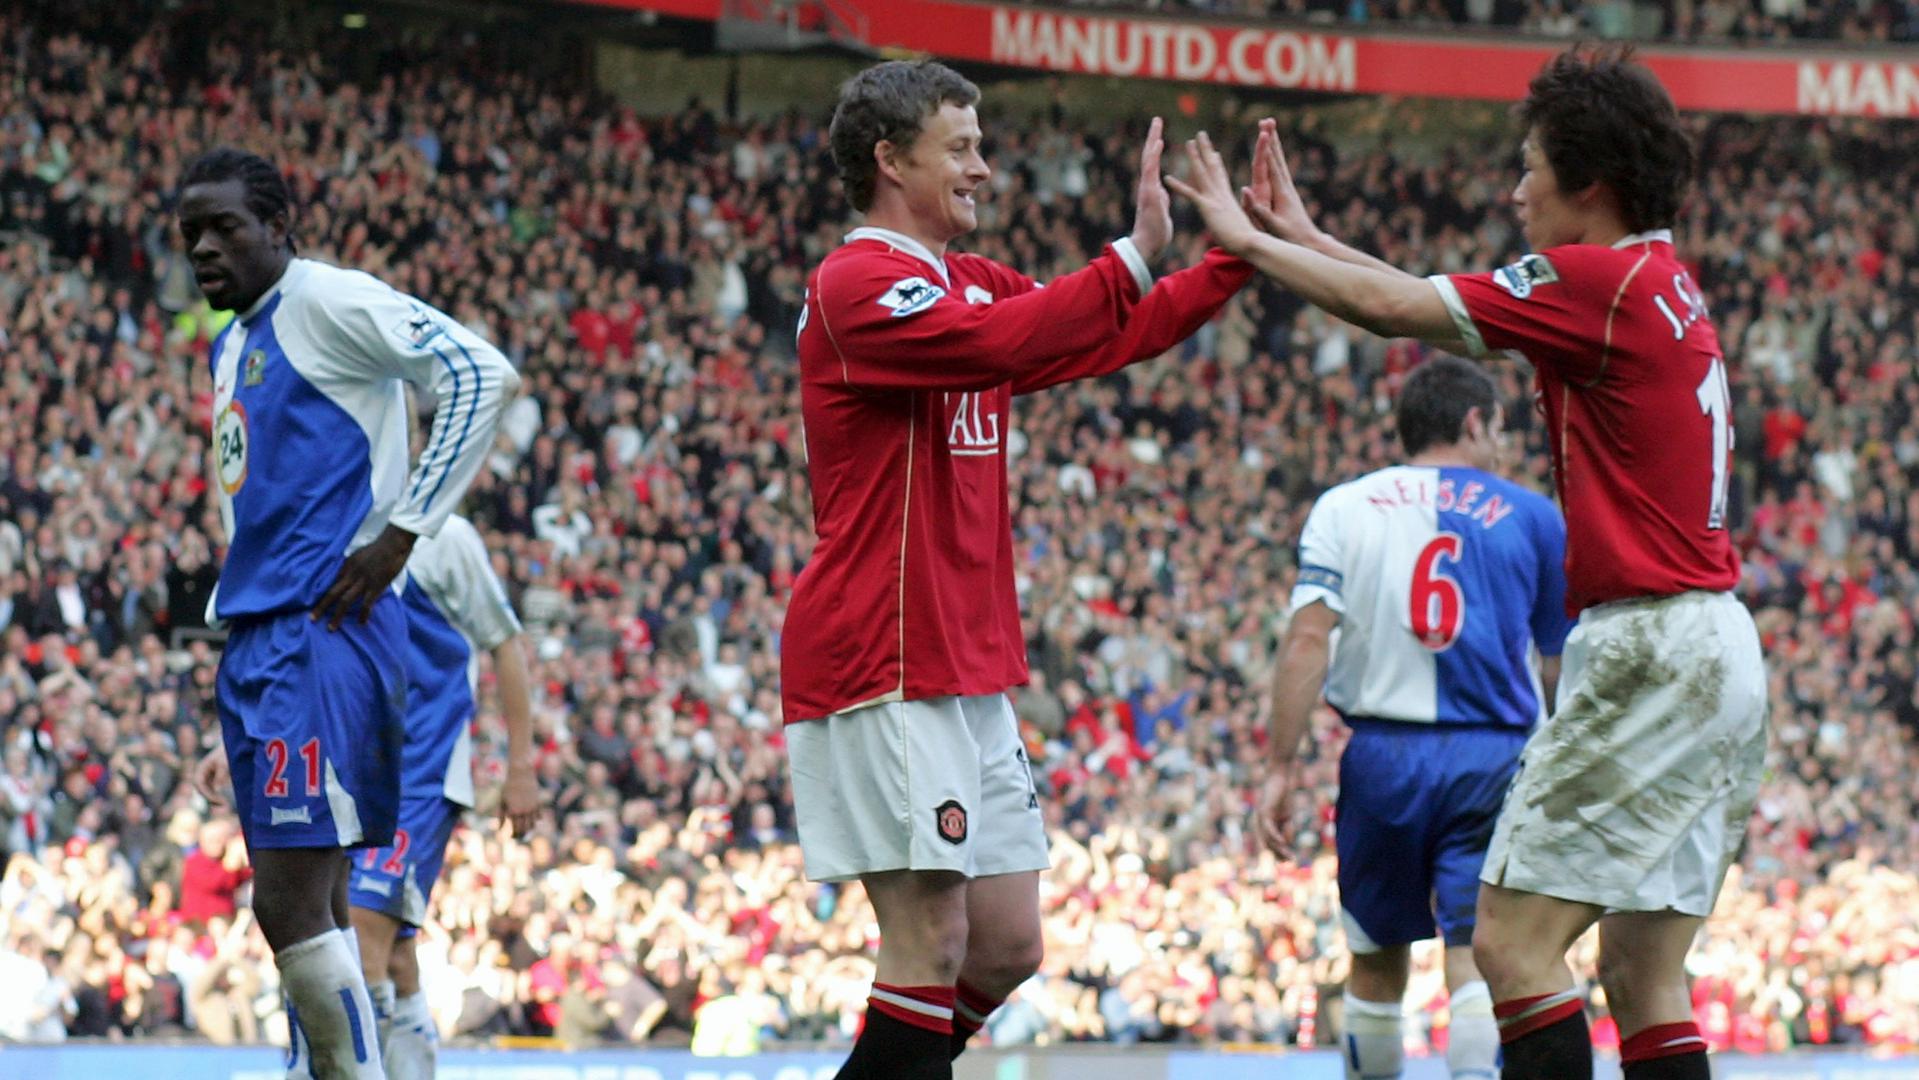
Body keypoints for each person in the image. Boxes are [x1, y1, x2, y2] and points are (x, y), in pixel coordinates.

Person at [1168, 46, 1766, 1080]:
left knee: (1507, 945)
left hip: (1648, 642)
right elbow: (1425, 293)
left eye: (1528, 166)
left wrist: (1247, 248)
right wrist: (1302, 235)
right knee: (1640, 970)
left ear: (1587, 184)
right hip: (1716, 642)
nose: (1511, 187)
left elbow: (1405, 312)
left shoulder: (1594, 280)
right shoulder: (1658, 283)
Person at [781, 59, 1259, 1080]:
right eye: (958, 148)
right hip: (884, 653)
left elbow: (1102, 330)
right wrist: (1130, 251)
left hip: (963, 665)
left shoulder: (968, 283)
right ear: (888, 159)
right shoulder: (856, 281)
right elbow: (1016, 332)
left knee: (1005, 946)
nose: (983, 170)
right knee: (931, 945)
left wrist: (1238, 255)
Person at [181, 147, 519, 1079]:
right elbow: (252, 512)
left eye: (225, 228)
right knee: (313, 907)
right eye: (189, 236)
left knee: (290, 908)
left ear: (280, 229)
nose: (203, 248)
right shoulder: (233, 343)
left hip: (319, 636)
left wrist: (405, 532)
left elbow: (476, 372)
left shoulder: (324, 300)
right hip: (266, 644)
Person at [1260, 355, 1571, 1080]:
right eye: (1496, 428)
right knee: (1475, 956)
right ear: (1473, 422)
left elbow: (1307, 637)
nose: (1499, 445)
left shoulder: (1342, 507)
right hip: (1492, 759)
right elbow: (1558, 663)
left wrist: (1279, 766)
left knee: (1373, 960)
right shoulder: (1531, 516)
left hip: (1380, 757)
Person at [346, 513, 539, 1079]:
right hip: (349, 772)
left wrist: (519, 766)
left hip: (421, 774)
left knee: (360, 935)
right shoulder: (333, 519)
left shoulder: (442, 536)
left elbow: (505, 643)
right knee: (394, 955)